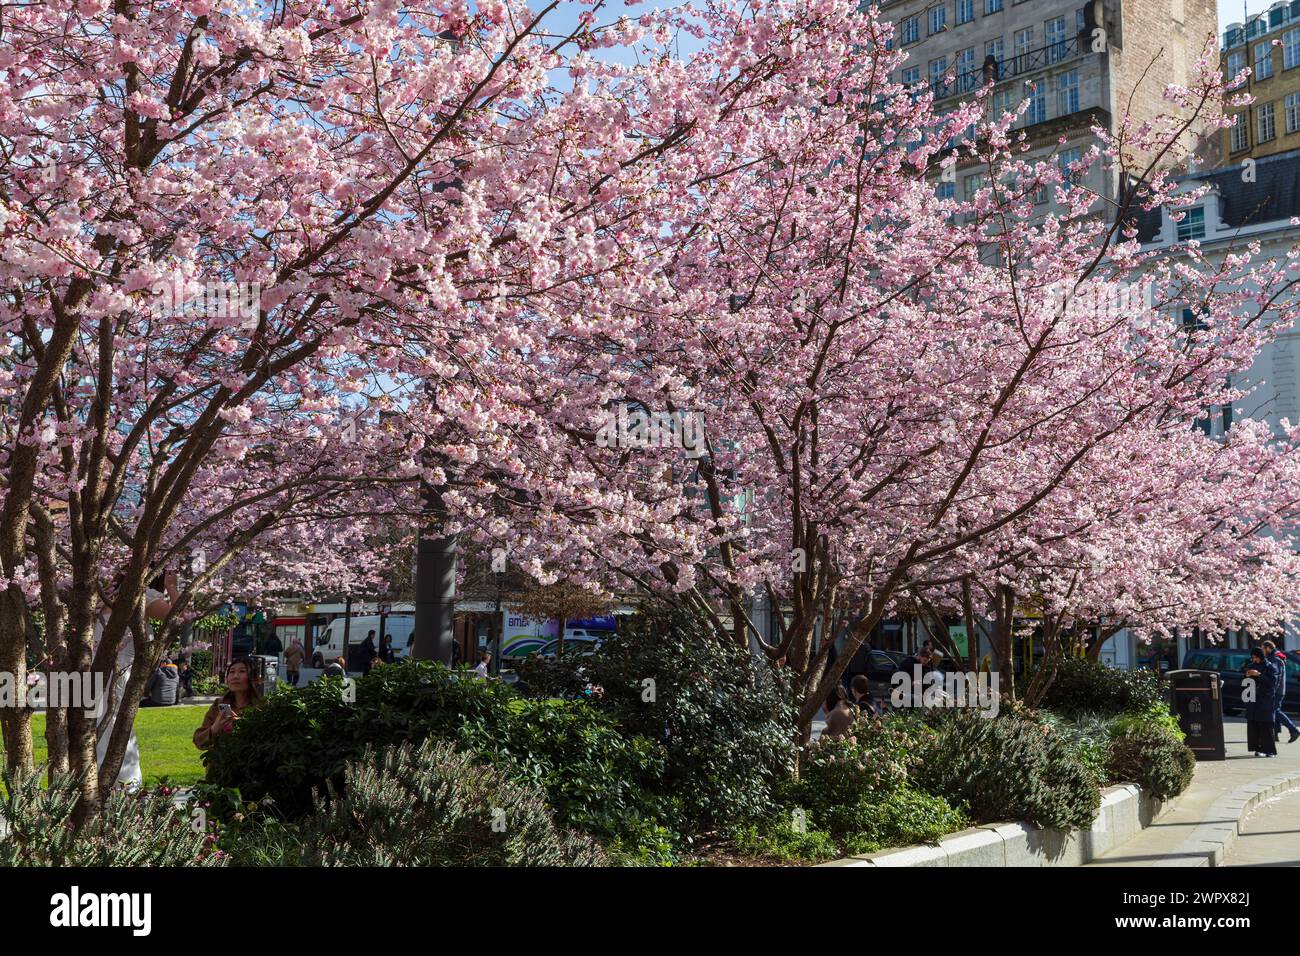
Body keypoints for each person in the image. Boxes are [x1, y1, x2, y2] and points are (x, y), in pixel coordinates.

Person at [94, 569, 178, 788]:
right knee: (117, 725)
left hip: (96, 671)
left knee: (101, 725)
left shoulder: (106, 596)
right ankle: (123, 784)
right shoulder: (141, 595)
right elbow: (179, 616)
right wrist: (172, 587)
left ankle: (103, 782)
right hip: (118, 673)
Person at [192, 658, 263, 749]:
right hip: (220, 762)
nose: (235, 676)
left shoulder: (263, 706)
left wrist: (242, 725)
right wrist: (214, 728)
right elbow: (198, 741)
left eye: (242, 671)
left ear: (253, 677)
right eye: (231, 672)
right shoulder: (219, 705)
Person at [1245, 647, 1280, 757]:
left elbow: (1272, 683)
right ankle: (1258, 749)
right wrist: (1246, 675)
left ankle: (1270, 750)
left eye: (1255, 657)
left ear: (1260, 656)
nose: (1254, 660)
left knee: (1266, 725)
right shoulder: (1251, 666)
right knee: (1254, 725)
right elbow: (1245, 680)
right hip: (1253, 700)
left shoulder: (1270, 667)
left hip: (1266, 700)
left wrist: (1259, 675)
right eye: (1253, 658)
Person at [1263, 640, 1299, 744]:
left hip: (1276, 690)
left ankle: (1294, 730)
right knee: (1275, 710)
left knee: (1275, 711)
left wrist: (1272, 689)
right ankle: (1275, 734)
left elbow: (1275, 676)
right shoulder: (1277, 657)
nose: (1263, 651)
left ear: (1268, 648)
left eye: (1263, 649)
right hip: (1279, 690)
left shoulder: (1274, 659)